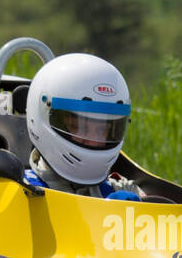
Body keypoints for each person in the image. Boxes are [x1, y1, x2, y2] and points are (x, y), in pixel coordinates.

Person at [24, 53, 141, 199]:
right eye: (80, 128)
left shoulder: (121, 190)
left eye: (102, 130)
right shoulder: (20, 191)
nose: (93, 140)